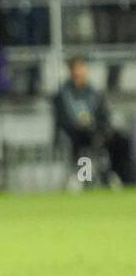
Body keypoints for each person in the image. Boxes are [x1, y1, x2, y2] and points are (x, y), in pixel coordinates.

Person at [53, 57, 133, 186]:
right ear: (70, 71)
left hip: (97, 130)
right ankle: (88, 179)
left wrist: (101, 127)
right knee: (88, 140)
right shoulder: (63, 94)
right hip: (76, 133)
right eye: (75, 69)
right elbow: (62, 120)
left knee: (122, 139)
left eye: (81, 68)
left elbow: (104, 115)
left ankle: (125, 178)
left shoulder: (94, 92)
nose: (78, 72)